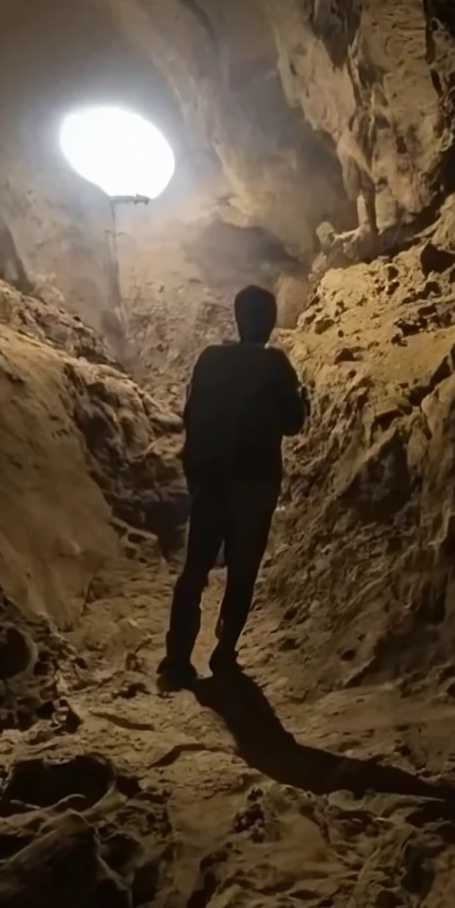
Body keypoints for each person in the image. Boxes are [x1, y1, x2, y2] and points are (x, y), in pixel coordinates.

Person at [157, 284, 309, 687]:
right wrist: (303, 400)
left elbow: (191, 415)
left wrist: (197, 470)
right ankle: (224, 653)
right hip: (255, 482)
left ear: (238, 317)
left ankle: (176, 657)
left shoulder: (210, 360)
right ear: (269, 321)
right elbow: (293, 423)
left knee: (195, 568)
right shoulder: (275, 363)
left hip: (212, 479)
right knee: (243, 570)